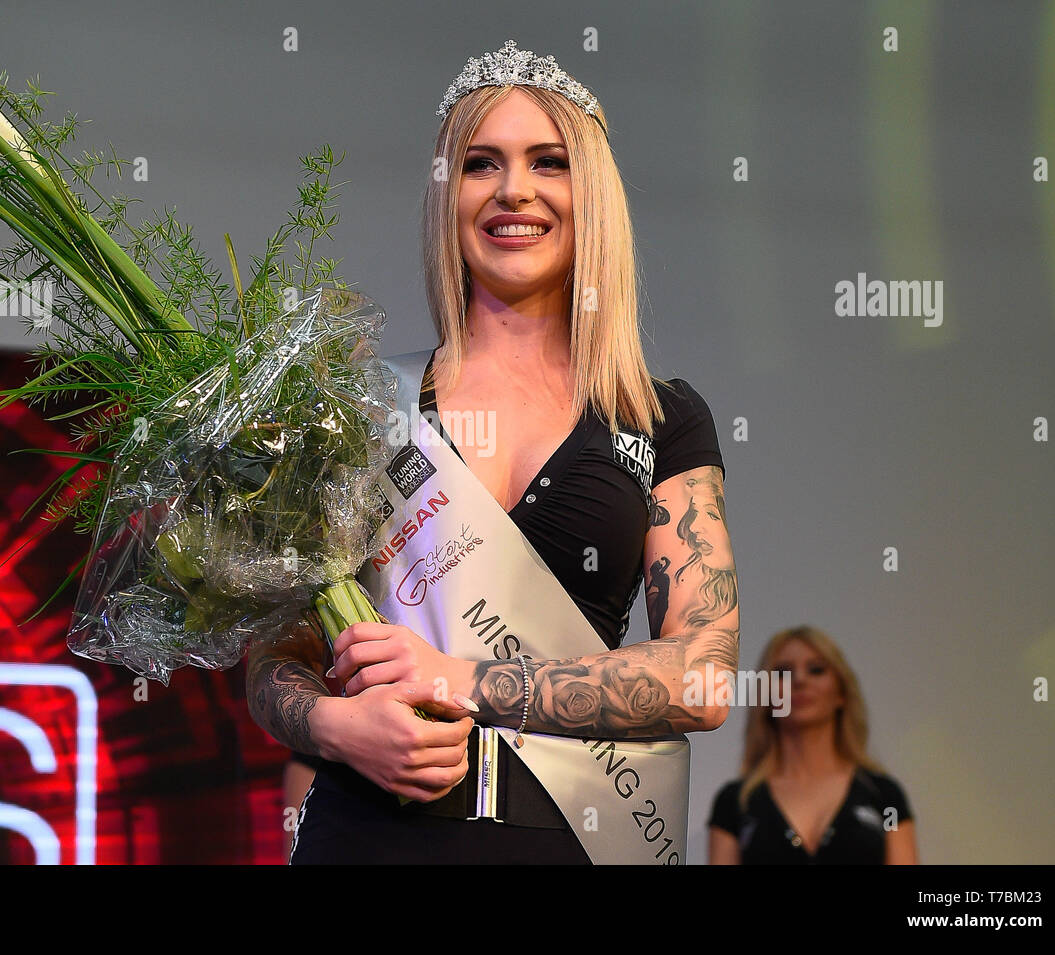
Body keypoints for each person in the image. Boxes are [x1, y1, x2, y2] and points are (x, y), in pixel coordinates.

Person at [247, 39, 738, 864]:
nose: (515, 190)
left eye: (548, 162)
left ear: (592, 194)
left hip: (568, 838)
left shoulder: (660, 417)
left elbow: (704, 673)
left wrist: (459, 678)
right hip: (366, 834)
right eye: (482, 164)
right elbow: (279, 657)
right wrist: (334, 723)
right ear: (449, 195)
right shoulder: (363, 407)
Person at [707, 625, 918, 864]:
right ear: (765, 695)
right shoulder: (735, 803)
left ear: (841, 693)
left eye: (816, 670)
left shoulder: (885, 799)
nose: (799, 680)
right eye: (783, 673)